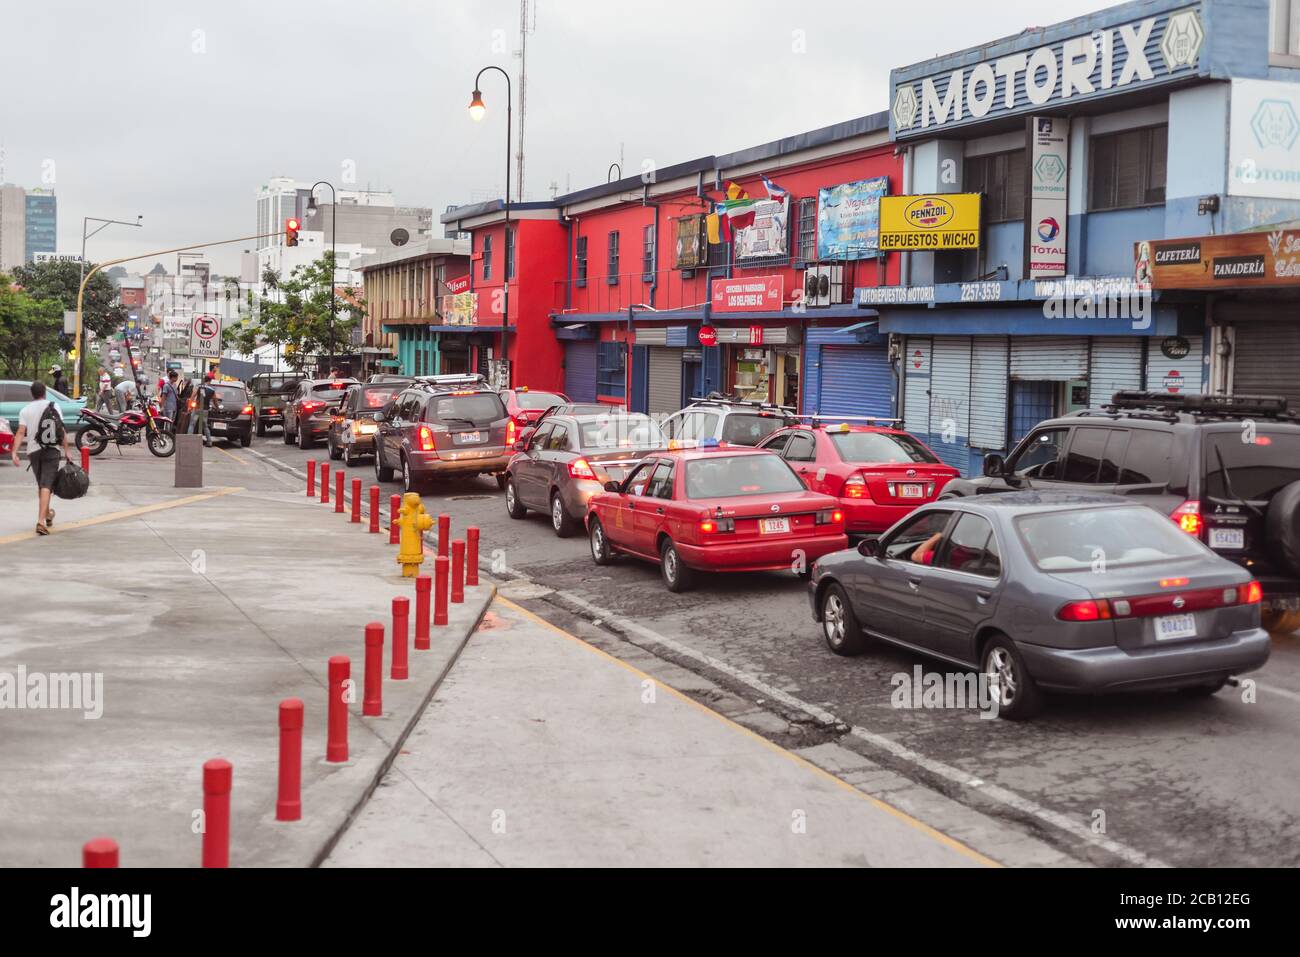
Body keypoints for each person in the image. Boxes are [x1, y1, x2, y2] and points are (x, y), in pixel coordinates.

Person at [12, 381, 73, 536]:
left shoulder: (25, 410)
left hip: (34, 451)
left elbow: (20, 432)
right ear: (44, 392)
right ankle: (41, 521)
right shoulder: (54, 406)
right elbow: (61, 428)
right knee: (46, 484)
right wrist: (67, 450)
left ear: (31, 394)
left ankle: (48, 515)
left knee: (42, 485)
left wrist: (14, 452)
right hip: (52, 450)